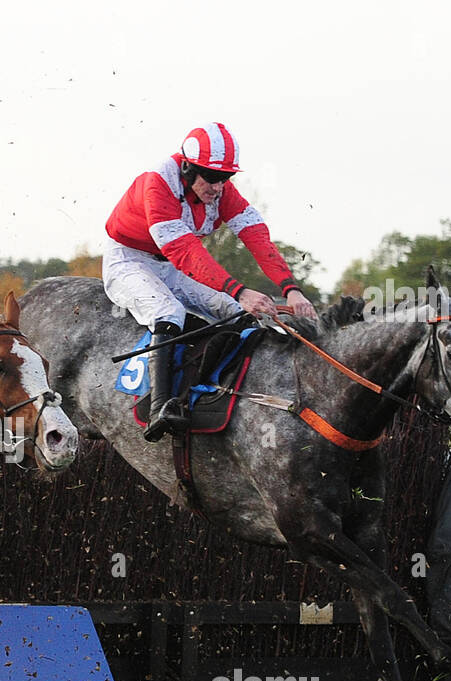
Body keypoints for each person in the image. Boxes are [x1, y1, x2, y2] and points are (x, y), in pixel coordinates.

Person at [103, 122, 318, 442]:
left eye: (225, 177)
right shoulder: (158, 183)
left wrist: (292, 289)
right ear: (187, 168)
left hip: (171, 266)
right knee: (169, 312)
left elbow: (257, 238)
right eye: (211, 177)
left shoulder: (222, 190)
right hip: (129, 260)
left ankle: (216, 390)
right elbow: (185, 252)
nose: (218, 187)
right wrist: (240, 290)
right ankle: (160, 408)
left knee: (237, 313)